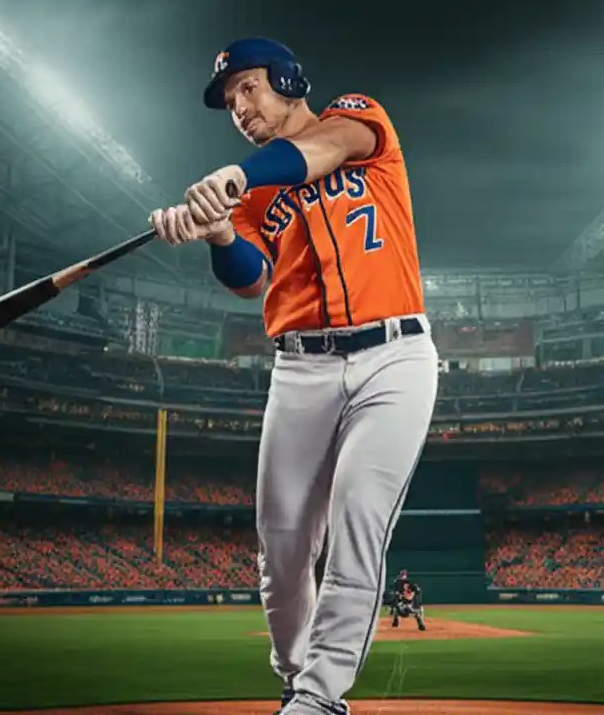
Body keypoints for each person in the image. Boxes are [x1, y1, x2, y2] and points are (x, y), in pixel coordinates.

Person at [150, 37, 438, 715]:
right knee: (281, 544)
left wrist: (238, 177)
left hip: (393, 357)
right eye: (228, 102)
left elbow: (325, 149)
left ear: (287, 78)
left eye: (248, 88)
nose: (239, 108)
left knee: (359, 513)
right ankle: (293, 670)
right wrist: (218, 229)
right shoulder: (255, 195)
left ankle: (317, 698)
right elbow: (249, 280)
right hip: (301, 367)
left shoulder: (358, 115)